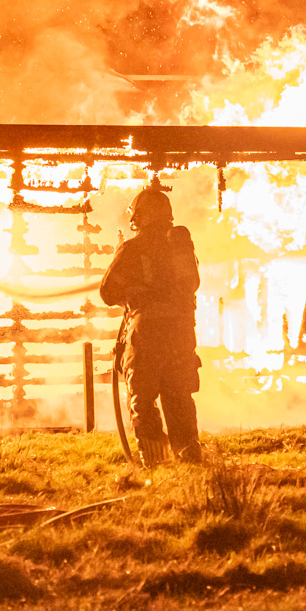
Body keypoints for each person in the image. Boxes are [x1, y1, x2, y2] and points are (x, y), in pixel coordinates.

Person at [100, 183, 203, 467]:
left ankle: (156, 462)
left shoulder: (132, 248)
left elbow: (107, 292)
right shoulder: (180, 242)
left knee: (142, 398)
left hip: (147, 332)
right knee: (179, 395)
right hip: (181, 332)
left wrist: (133, 288)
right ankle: (188, 455)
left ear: (139, 216)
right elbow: (191, 283)